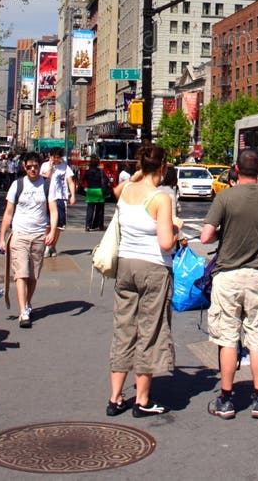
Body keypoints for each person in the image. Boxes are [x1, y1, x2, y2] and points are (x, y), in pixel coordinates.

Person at [200, 147, 258, 420]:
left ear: (236, 169)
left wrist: (224, 233)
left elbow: (205, 237)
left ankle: (226, 399)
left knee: (228, 338)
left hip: (228, 275)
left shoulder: (224, 197)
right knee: (257, 340)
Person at [108, 144, 181, 418]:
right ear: (162, 167)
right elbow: (165, 242)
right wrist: (175, 231)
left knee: (124, 328)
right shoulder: (161, 198)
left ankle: (115, 397)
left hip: (125, 265)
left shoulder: (126, 189)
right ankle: (142, 399)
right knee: (150, 330)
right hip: (153, 268)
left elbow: (116, 193)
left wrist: (138, 173)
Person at [0, 152, 58, 328]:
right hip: (20, 235)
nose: (33, 169)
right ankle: (23, 311)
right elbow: (8, 213)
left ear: (40, 166)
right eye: (29, 167)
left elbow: (53, 210)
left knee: (33, 274)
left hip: (39, 235)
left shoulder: (47, 185)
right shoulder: (17, 185)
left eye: (36, 166)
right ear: (24, 167)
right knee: (21, 273)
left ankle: (28, 303)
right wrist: (2, 238)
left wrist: (52, 231)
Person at [40, 148, 75, 257]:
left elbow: (70, 182)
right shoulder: (45, 166)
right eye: (53, 157)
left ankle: (53, 245)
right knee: (47, 223)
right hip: (46, 196)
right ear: (50, 156)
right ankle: (47, 245)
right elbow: (43, 177)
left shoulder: (65, 167)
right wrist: (50, 168)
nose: (55, 159)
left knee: (58, 225)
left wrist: (72, 195)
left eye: (57, 157)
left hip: (60, 197)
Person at [83, 156, 106, 231]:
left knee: (90, 209)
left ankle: (88, 225)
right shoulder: (101, 172)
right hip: (99, 191)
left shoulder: (87, 172)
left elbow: (83, 180)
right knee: (100, 210)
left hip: (90, 191)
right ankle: (100, 225)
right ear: (98, 163)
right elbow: (106, 180)